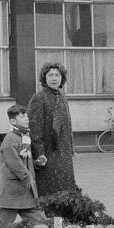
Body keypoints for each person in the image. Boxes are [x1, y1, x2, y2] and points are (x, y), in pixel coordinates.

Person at [0, 104, 45, 228]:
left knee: (40, 222)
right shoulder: (10, 139)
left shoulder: (24, 136)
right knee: (0, 225)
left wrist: (36, 163)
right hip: (13, 190)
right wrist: (28, 177)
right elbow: (14, 163)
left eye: (27, 115)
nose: (27, 118)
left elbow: (24, 160)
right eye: (22, 116)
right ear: (13, 121)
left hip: (25, 190)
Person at [27, 62, 76, 197]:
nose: (54, 78)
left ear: (62, 78)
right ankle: (49, 219)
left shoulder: (62, 97)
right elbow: (34, 128)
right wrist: (40, 154)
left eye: (57, 75)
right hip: (48, 155)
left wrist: (70, 149)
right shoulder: (39, 98)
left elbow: (68, 126)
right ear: (44, 78)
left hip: (64, 155)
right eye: (50, 75)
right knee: (50, 194)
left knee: (66, 194)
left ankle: (61, 219)